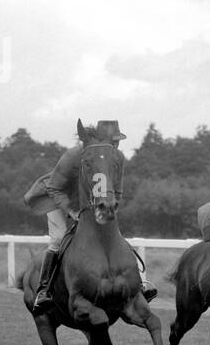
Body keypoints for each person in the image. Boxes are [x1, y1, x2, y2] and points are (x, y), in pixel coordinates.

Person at [24, 120, 156, 310]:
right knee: (59, 238)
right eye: (113, 141)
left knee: (113, 234)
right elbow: (55, 188)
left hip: (88, 202)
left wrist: (111, 209)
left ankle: (138, 285)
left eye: (117, 141)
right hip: (56, 197)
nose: (116, 145)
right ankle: (44, 290)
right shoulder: (74, 155)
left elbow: (117, 189)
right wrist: (71, 211)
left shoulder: (117, 157)